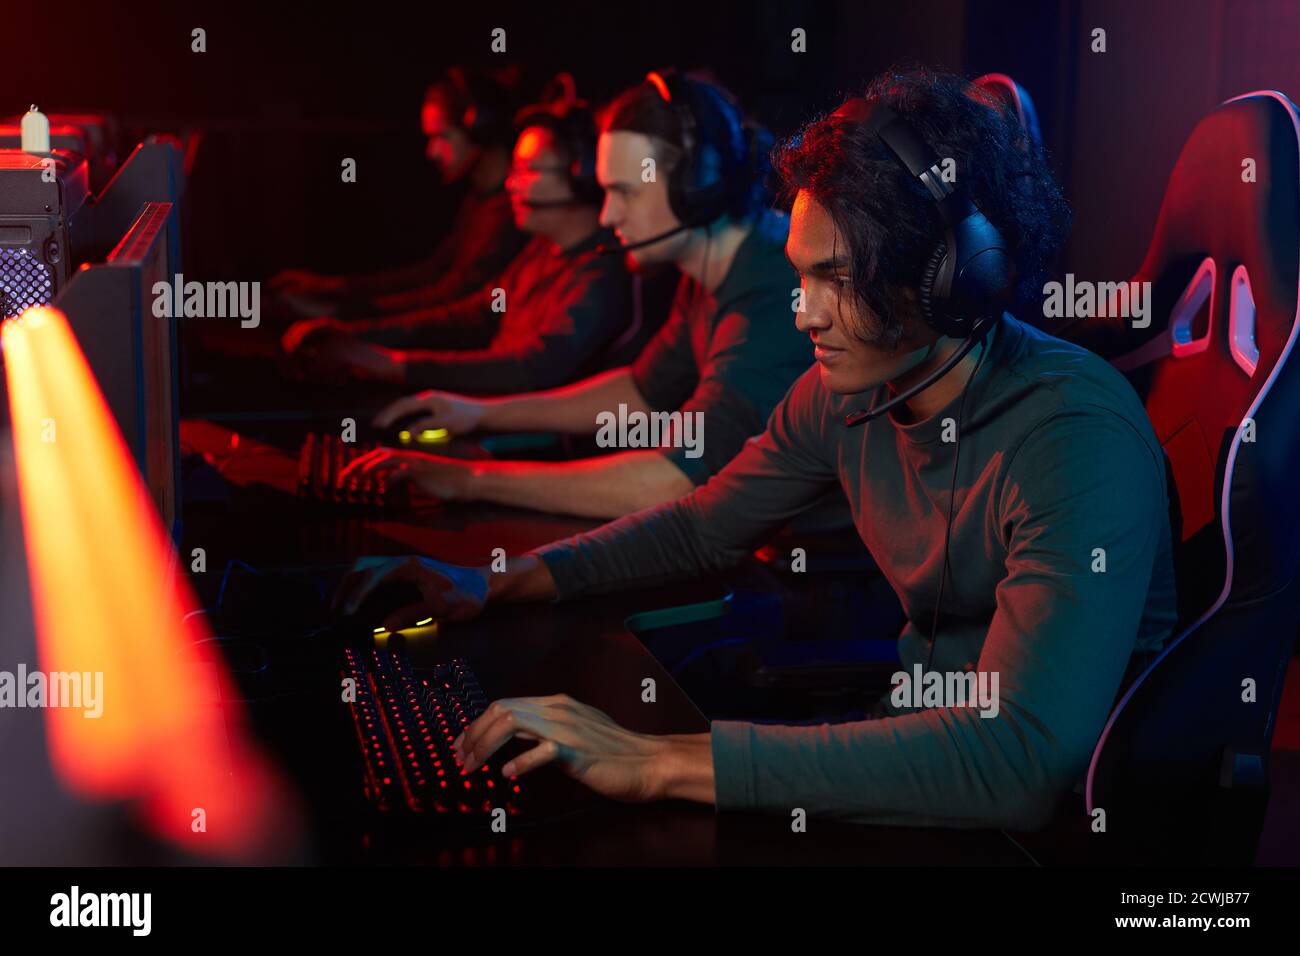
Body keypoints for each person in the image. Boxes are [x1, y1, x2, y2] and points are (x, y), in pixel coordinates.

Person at [333, 69, 1179, 831]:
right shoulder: (849, 390)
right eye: (799, 275)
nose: (803, 313)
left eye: (835, 280)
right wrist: (497, 579)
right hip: (911, 749)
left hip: (1030, 823)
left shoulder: (1074, 438)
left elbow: (1017, 762)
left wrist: (655, 760)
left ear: (952, 277)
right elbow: (701, 524)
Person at [332, 71, 809, 519]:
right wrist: (477, 414)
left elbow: (672, 479)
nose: (607, 217)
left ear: (696, 187)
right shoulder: (708, 266)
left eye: (625, 192)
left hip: (810, 577)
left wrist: (470, 480)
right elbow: (641, 393)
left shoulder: (769, 293)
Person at [281, 87, 668, 393]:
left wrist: (391, 364)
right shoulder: (543, 251)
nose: (512, 184)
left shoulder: (600, 278)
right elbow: (475, 312)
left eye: (527, 171)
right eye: (514, 170)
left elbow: (531, 367)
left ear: (581, 176)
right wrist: (354, 336)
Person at [270, 67, 528, 319]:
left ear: (481, 129)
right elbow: (433, 271)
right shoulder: (480, 198)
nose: (431, 152)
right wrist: (332, 287)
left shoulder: (509, 212)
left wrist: (337, 312)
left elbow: (448, 297)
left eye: (442, 137)